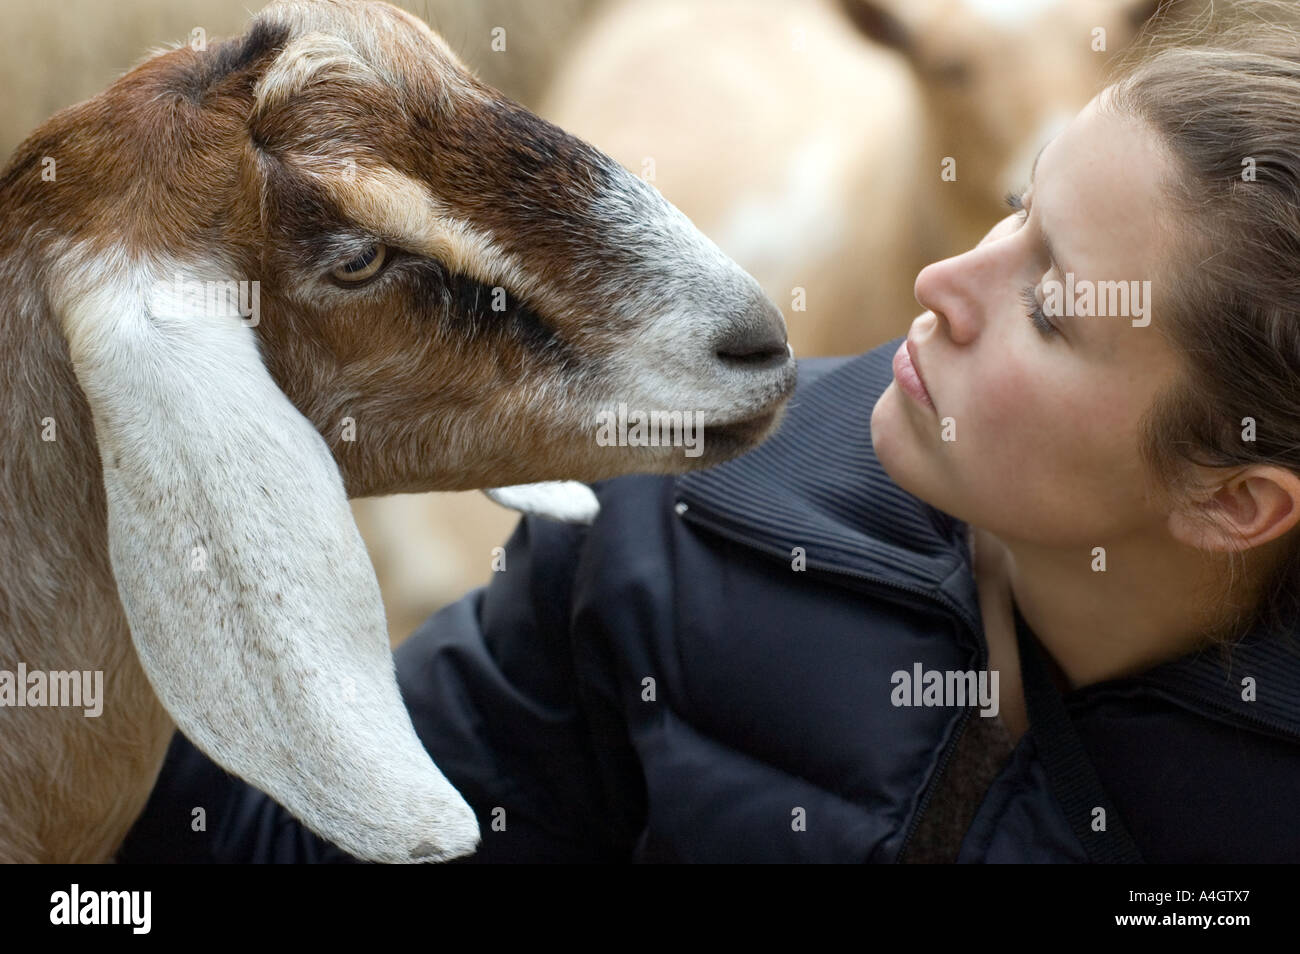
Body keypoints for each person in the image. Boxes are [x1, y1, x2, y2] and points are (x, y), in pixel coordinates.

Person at [119, 10, 1300, 863]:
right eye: (1012, 209)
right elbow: (300, 845)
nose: (941, 281)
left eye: (1049, 310)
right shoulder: (683, 520)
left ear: (1234, 500)